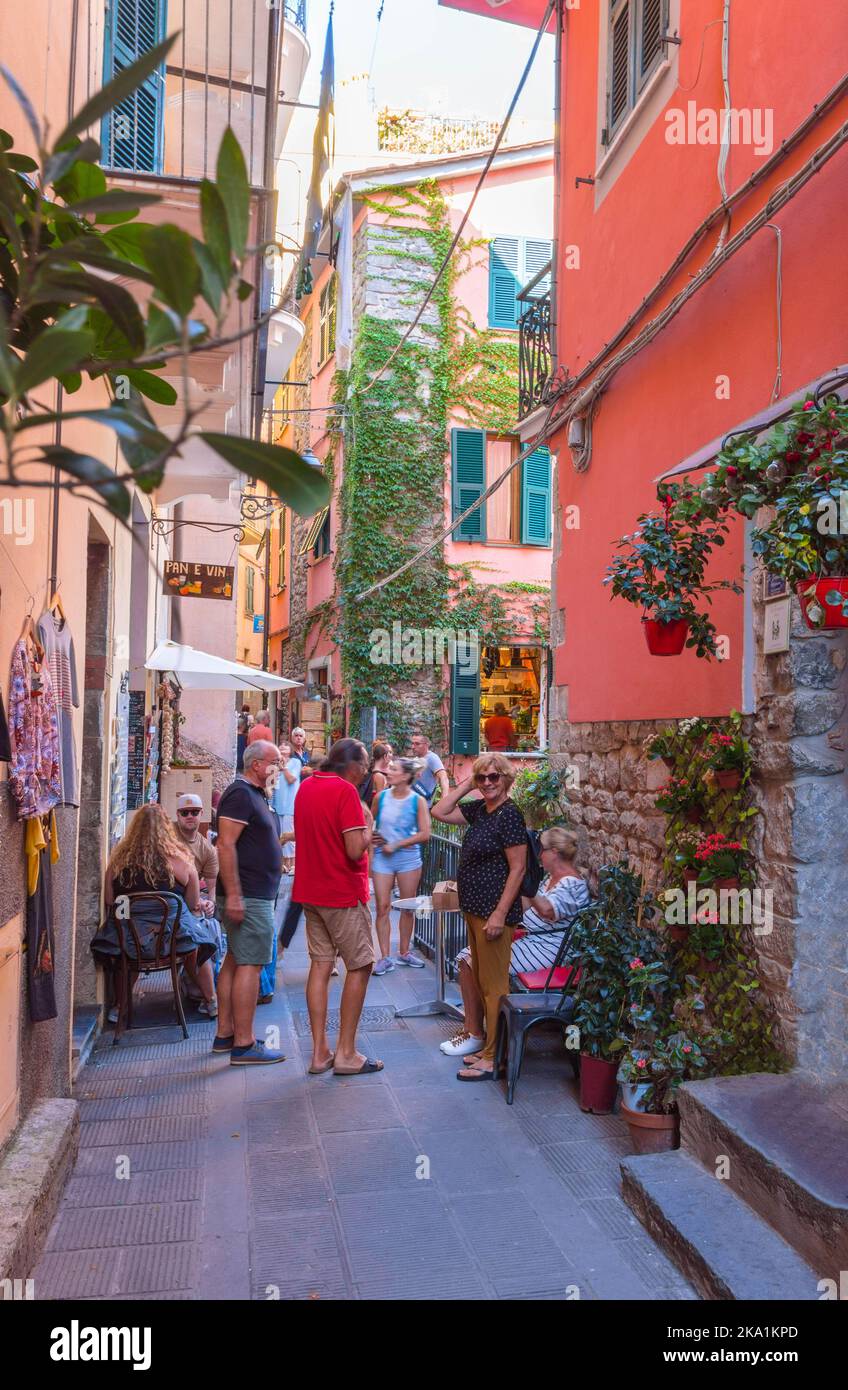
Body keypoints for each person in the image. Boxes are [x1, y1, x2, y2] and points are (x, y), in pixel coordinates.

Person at [440, 827, 590, 1059]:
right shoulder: (551, 879)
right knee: (468, 957)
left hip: (550, 949)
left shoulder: (573, 885)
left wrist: (523, 880)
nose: (538, 855)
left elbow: (548, 911)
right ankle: (477, 1032)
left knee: (476, 964)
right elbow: (524, 904)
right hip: (532, 940)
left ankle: (479, 1035)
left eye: (541, 850)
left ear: (554, 853)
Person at [432, 752, 527, 1082]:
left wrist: (500, 914)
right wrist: (466, 784)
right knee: (483, 980)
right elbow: (439, 811)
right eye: (482, 778)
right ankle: (489, 1049)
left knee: (494, 986)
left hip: (492, 914)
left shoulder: (509, 815)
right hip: (474, 909)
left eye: (493, 778)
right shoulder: (480, 810)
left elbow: (518, 869)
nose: (487, 783)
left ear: (505, 779)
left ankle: (493, 1058)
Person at [293, 737, 383, 1076]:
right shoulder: (345, 792)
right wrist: (368, 829)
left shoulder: (307, 786)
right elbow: (352, 850)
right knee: (360, 965)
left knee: (320, 965)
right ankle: (346, 1053)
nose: (366, 776)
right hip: (342, 892)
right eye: (365, 769)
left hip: (310, 890)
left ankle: (320, 1053)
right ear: (356, 766)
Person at [100, 804, 219, 1021]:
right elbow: (193, 904)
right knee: (195, 945)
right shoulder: (182, 862)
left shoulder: (118, 863)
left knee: (130, 952)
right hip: (173, 940)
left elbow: (109, 900)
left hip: (132, 939)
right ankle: (211, 1001)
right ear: (167, 829)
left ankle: (119, 1007)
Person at [214, 741, 286, 1064]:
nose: (279, 768)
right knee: (251, 964)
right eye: (275, 762)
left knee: (235, 959)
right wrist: (234, 895)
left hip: (254, 893)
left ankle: (225, 1034)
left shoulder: (257, 795)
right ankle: (244, 1043)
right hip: (249, 895)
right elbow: (226, 846)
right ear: (256, 764)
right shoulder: (241, 794)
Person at [371, 756, 431, 975]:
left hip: (408, 858)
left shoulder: (418, 801)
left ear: (406, 776)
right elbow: (371, 822)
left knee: (408, 907)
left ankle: (404, 952)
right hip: (382, 857)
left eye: (393, 769)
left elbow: (425, 833)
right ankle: (384, 957)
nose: (388, 771)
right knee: (382, 907)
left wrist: (397, 844)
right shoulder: (381, 797)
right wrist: (373, 837)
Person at [173, 792, 220, 1017]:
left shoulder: (207, 849)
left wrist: (210, 903)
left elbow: (210, 889)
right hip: (169, 906)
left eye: (194, 812)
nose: (190, 816)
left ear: (202, 814)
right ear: (178, 815)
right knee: (199, 936)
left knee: (207, 931)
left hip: (191, 906)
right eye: (184, 813)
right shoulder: (168, 840)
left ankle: (206, 996)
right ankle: (208, 997)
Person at [409, 730, 449, 804]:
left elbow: (444, 777)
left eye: (417, 744)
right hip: (413, 804)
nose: (413, 747)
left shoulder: (432, 758)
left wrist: (444, 801)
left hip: (424, 805)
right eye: (412, 743)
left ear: (426, 745)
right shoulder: (416, 759)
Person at [359, 741, 392, 806]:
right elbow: (380, 800)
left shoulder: (370, 771)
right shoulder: (379, 776)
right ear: (385, 756)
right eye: (388, 754)